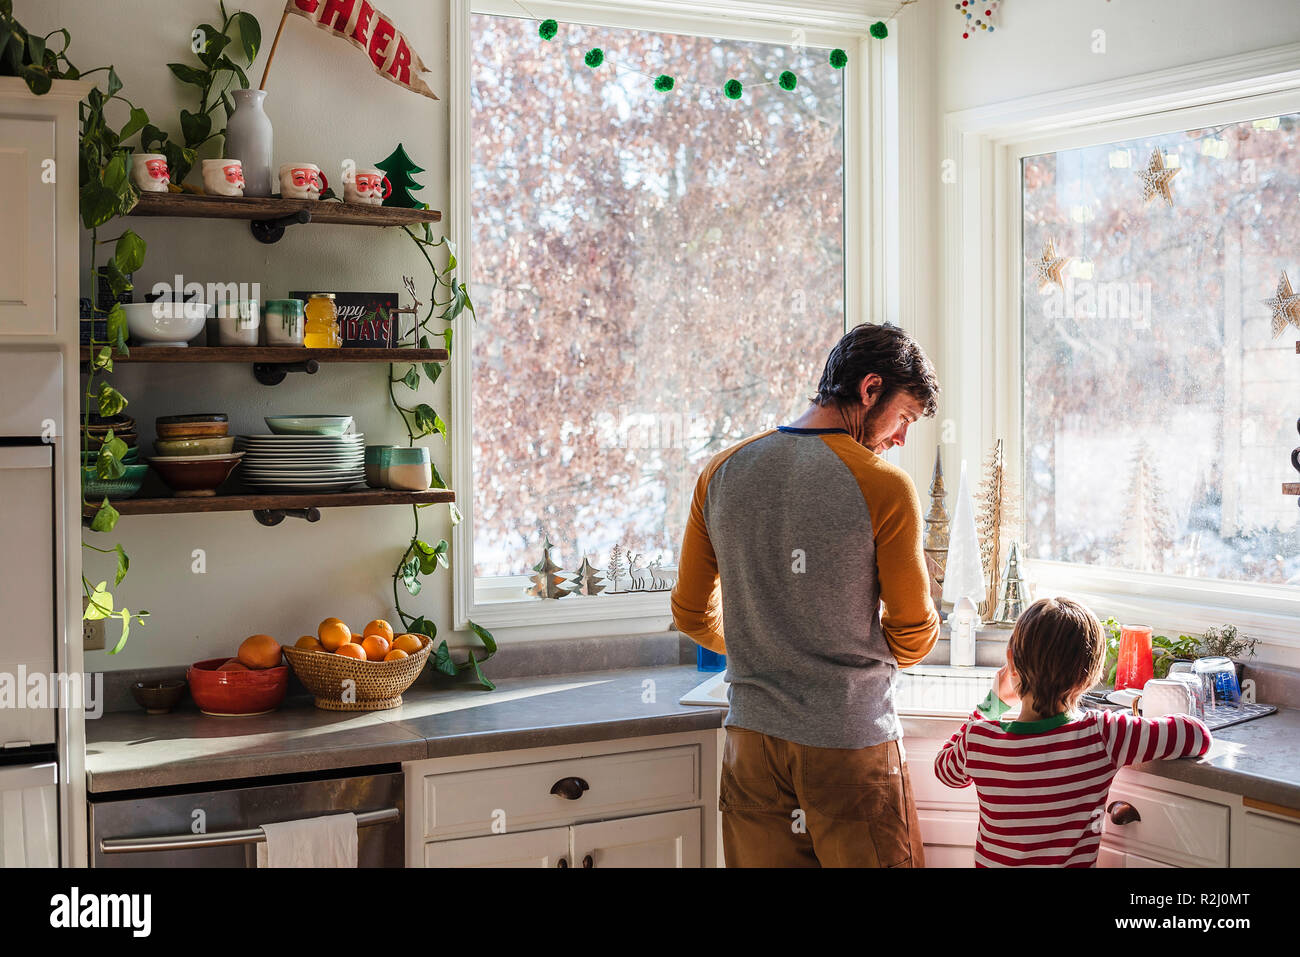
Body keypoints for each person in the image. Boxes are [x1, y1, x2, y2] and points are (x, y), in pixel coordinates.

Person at [671, 322, 942, 867]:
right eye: (904, 418)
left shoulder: (722, 472)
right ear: (870, 391)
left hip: (751, 744)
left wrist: (765, 647)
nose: (900, 439)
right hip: (848, 745)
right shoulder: (884, 486)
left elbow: (690, 613)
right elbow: (913, 634)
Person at [934, 597, 1212, 867]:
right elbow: (1197, 735)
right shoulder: (1104, 734)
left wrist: (990, 706)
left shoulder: (981, 739)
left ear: (1011, 663)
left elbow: (945, 770)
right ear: (1090, 676)